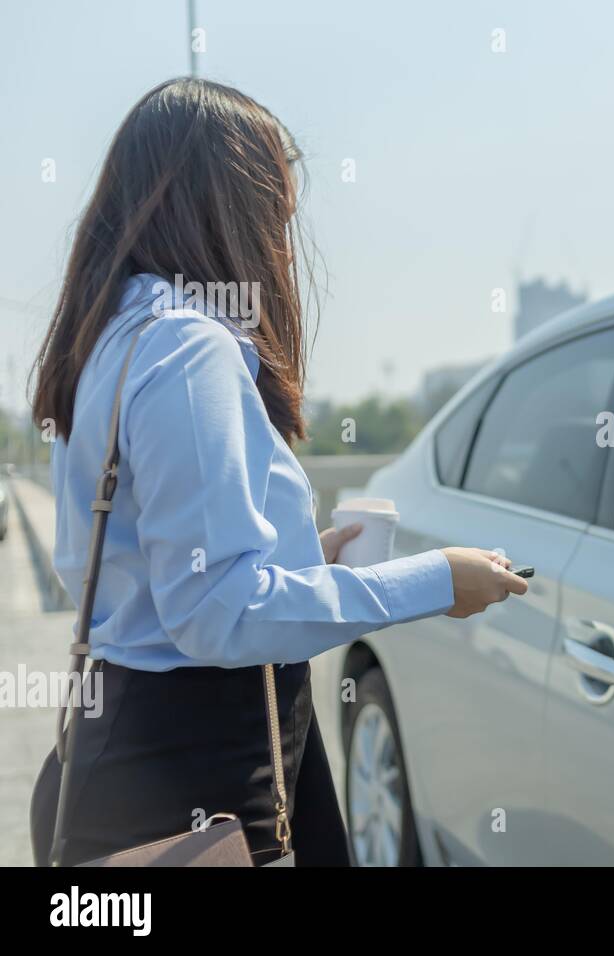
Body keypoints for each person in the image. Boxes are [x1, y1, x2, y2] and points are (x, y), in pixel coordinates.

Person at [27, 77, 527, 866]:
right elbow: (215, 614)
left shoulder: (111, 337)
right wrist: (434, 582)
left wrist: (301, 559)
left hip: (129, 753)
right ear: (223, 206)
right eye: (278, 218)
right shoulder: (188, 348)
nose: (285, 248)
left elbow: (145, 574)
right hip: (202, 774)